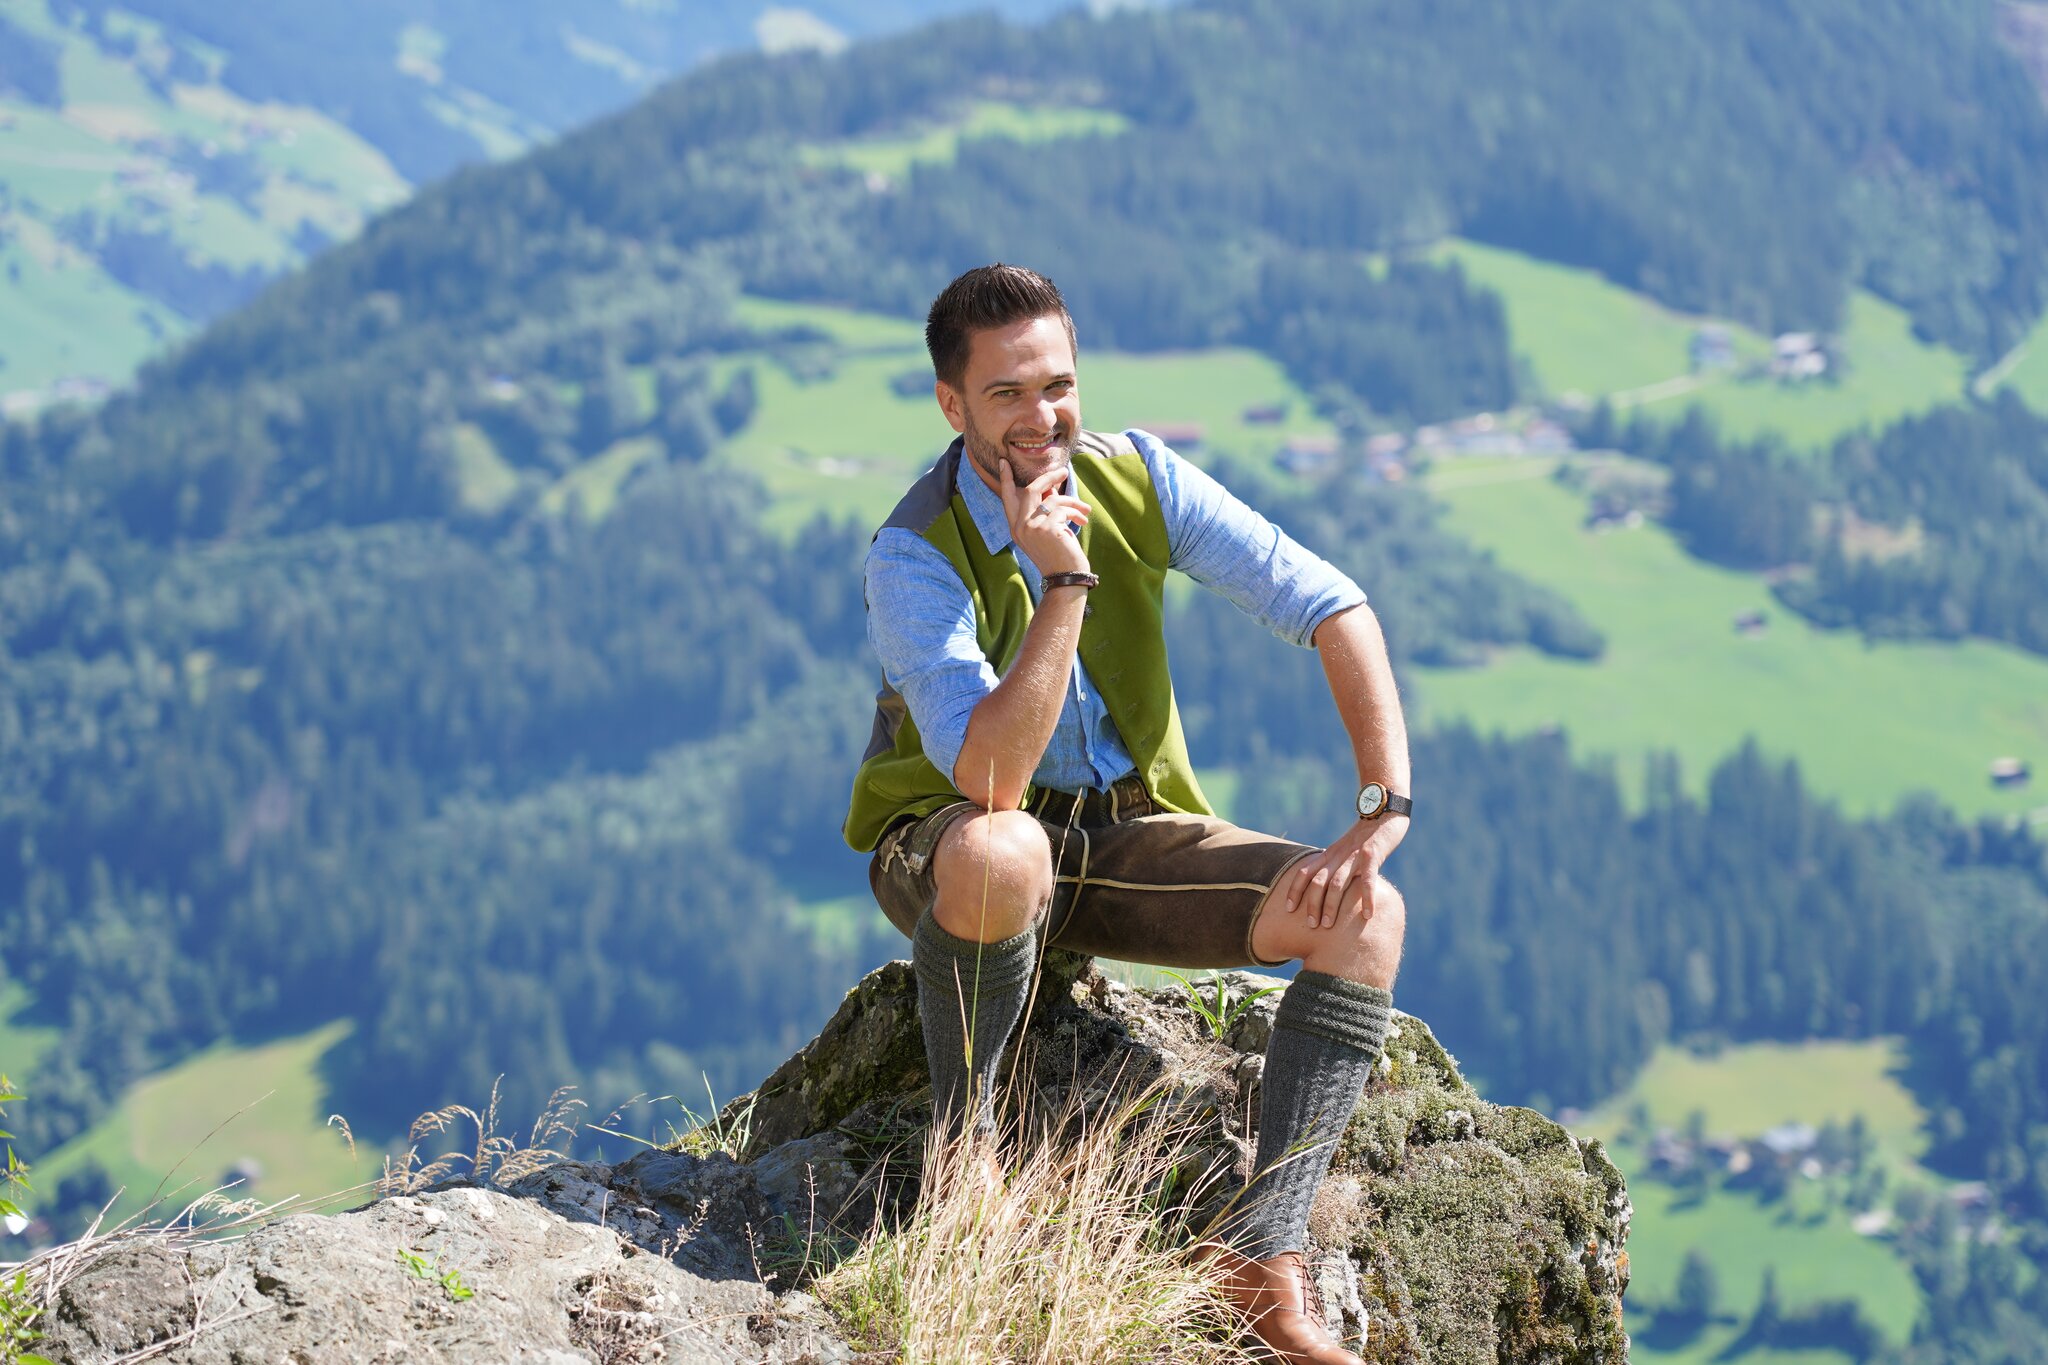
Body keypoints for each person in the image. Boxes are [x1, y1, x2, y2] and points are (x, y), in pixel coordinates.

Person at [844, 263, 1409, 1365]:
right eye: (1005, 393)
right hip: (951, 839)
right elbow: (990, 780)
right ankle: (971, 1159)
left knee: (1363, 917)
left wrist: (1379, 806)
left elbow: (1333, 605)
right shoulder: (911, 554)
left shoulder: (1137, 475)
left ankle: (1260, 1251)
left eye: (1056, 384)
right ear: (950, 406)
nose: (1041, 415)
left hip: (1119, 837)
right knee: (1006, 850)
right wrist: (1062, 586)